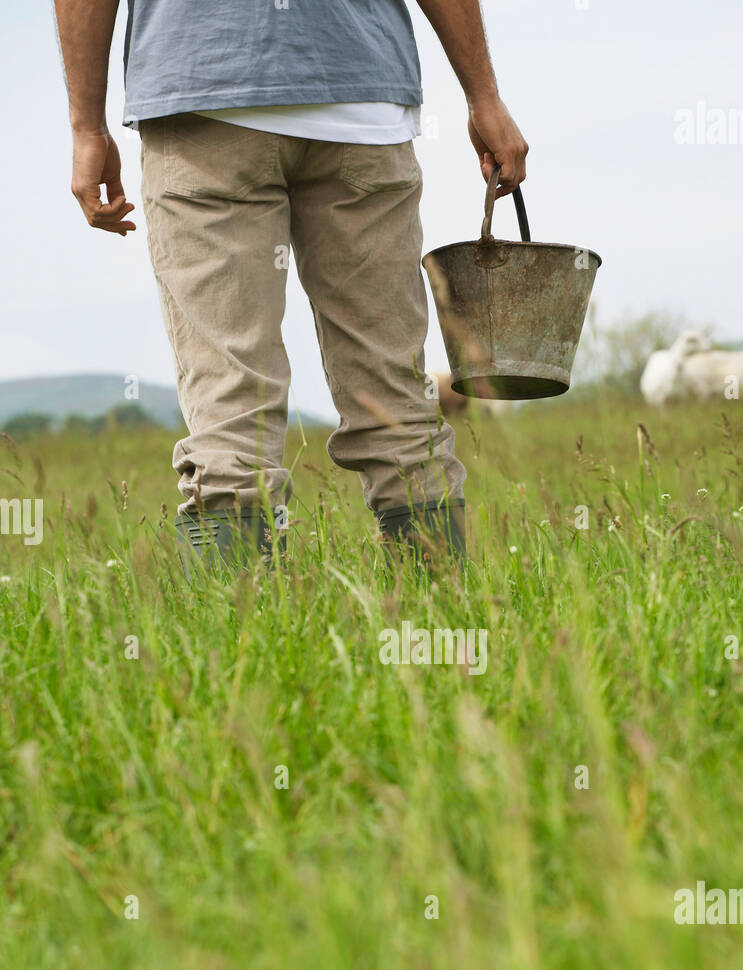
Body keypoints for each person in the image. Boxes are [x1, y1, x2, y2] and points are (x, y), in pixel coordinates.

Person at [53, 0, 529, 568]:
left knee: (229, 409)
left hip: (202, 92)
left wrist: (87, 124)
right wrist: (483, 95)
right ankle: (442, 635)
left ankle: (237, 645)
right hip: (360, 95)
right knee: (395, 399)